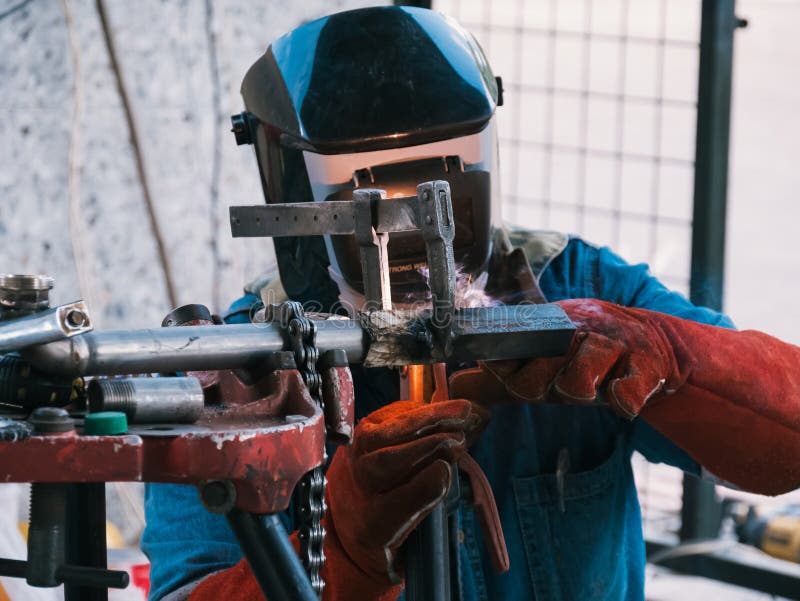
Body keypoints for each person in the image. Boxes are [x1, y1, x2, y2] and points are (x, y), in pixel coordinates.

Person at [141, 6, 800, 601]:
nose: (412, 243)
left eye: (443, 194)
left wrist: (670, 356)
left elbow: (785, 439)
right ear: (301, 198)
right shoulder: (237, 372)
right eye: (371, 204)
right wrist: (346, 549)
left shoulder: (581, 289)